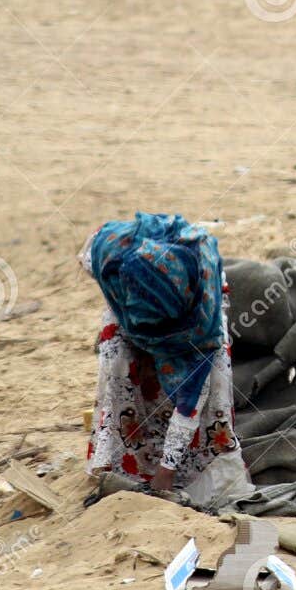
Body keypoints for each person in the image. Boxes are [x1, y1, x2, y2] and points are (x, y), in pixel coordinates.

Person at [83, 213, 250, 505]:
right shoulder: (111, 255)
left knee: (214, 381)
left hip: (192, 322)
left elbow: (191, 400)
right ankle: (125, 467)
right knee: (119, 365)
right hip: (131, 305)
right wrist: (133, 318)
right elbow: (88, 254)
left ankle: (188, 475)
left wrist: (166, 472)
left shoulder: (204, 324)